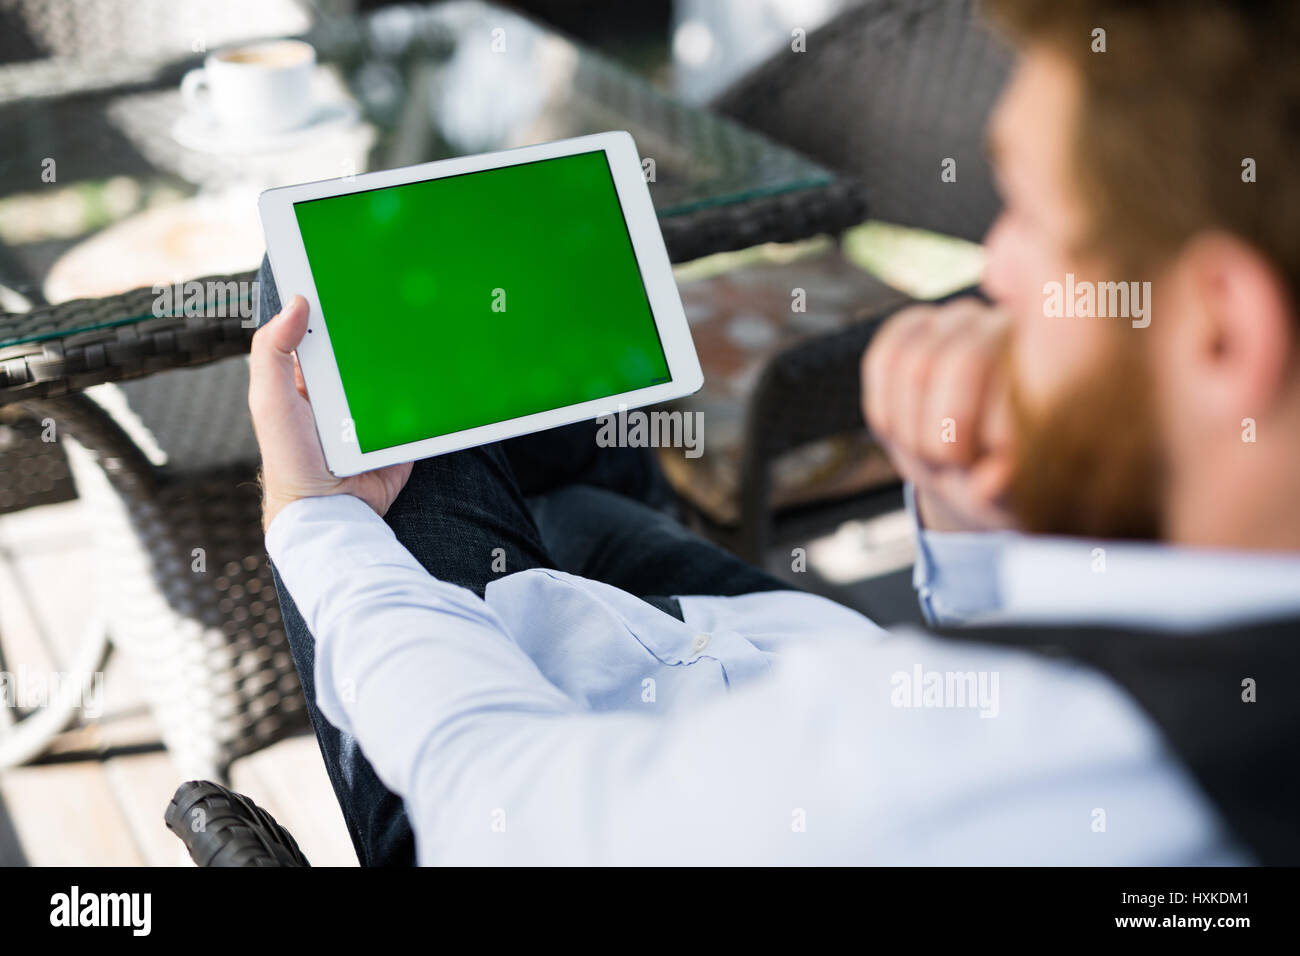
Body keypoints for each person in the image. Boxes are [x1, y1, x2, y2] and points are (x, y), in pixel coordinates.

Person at [248, 0, 1300, 865]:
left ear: (1220, 331)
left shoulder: (970, 771)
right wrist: (985, 538)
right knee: (571, 484)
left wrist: (322, 528)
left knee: (311, 308)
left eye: (1027, 212)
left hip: (513, 789)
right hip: (791, 650)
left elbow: (496, 807)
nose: (1000, 268)